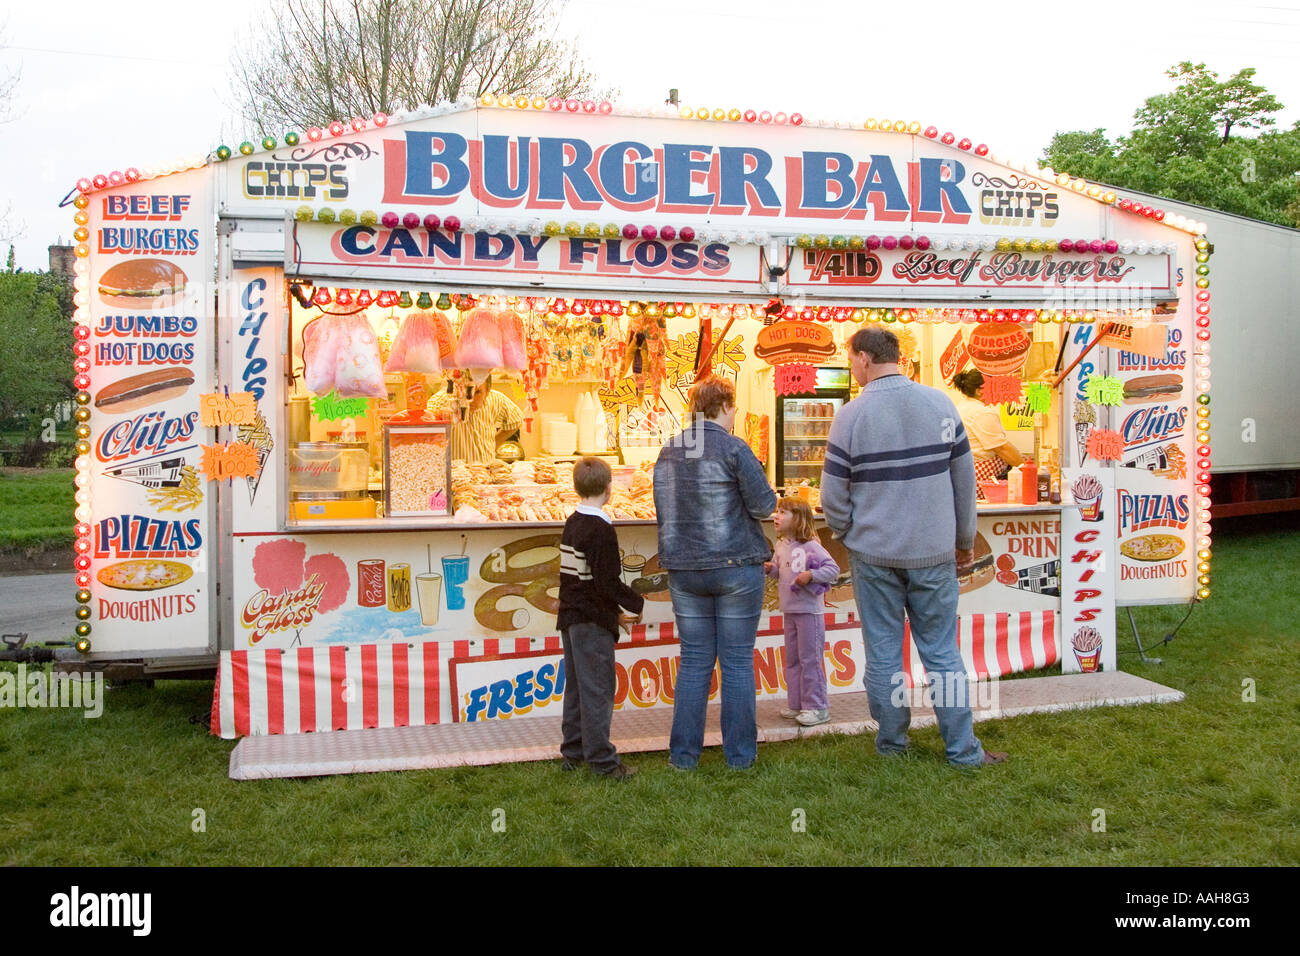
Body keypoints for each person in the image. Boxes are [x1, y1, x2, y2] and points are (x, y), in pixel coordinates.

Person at [821, 328, 1008, 768]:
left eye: (852, 361)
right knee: (942, 650)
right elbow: (965, 483)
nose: (852, 368)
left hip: (874, 554)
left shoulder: (850, 416)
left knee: (884, 650)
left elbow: (832, 495)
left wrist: (848, 533)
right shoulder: (940, 404)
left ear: (865, 358)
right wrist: (964, 540)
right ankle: (962, 750)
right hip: (933, 553)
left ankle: (892, 745)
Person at [654, 375, 776, 770]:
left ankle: (683, 757)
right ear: (724, 406)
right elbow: (763, 506)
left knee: (693, 661)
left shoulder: (669, 451)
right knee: (737, 662)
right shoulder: (735, 448)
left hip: (684, 568)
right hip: (735, 565)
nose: (735, 413)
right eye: (734, 407)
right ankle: (740, 757)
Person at [556, 457, 645, 780]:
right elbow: (606, 582)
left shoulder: (572, 521)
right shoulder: (602, 529)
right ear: (610, 488)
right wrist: (635, 603)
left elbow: (578, 578)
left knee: (578, 687)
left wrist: (615, 612)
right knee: (598, 689)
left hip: (571, 615)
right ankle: (603, 761)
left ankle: (573, 750)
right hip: (593, 619)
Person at [765, 497, 840, 727]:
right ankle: (797, 703)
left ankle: (817, 706)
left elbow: (832, 569)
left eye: (782, 512)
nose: (776, 516)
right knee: (793, 659)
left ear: (797, 518)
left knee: (810, 659)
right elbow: (781, 572)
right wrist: (770, 569)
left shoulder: (812, 546)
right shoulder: (780, 546)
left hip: (809, 612)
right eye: (777, 512)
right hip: (790, 610)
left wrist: (811, 576)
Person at [427, 374, 524, 463]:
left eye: (477, 392)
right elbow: (425, 429)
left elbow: (516, 420)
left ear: (487, 392)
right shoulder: (441, 401)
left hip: (485, 473)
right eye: (465, 390)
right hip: (456, 475)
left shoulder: (496, 399)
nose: (470, 398)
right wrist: (439, 415)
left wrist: (493, 443)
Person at [951, 368, 1023, 487]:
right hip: (983, 476)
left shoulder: (963, 407)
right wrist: (1026, 468)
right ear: (979, 391)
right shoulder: (982, 412)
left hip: (966, 472)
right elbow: (1002, 448)